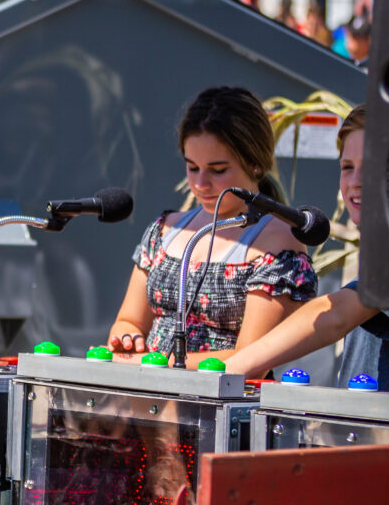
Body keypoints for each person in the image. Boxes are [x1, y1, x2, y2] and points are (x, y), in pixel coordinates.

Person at [223, 105, 389, 391]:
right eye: (347, 167)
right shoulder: (388, 245)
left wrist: (233, 368)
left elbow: (336, 314)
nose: (355, 182)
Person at [107, 86, 317, 365]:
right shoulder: (165, 230)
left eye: (218, 170)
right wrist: (126, 336)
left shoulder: (278, 241)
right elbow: (128, 320)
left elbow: (250, 358)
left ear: (255, 163)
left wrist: (157, 363)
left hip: (220, 404)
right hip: (149, 400)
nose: (200, 183)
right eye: (192, 167)